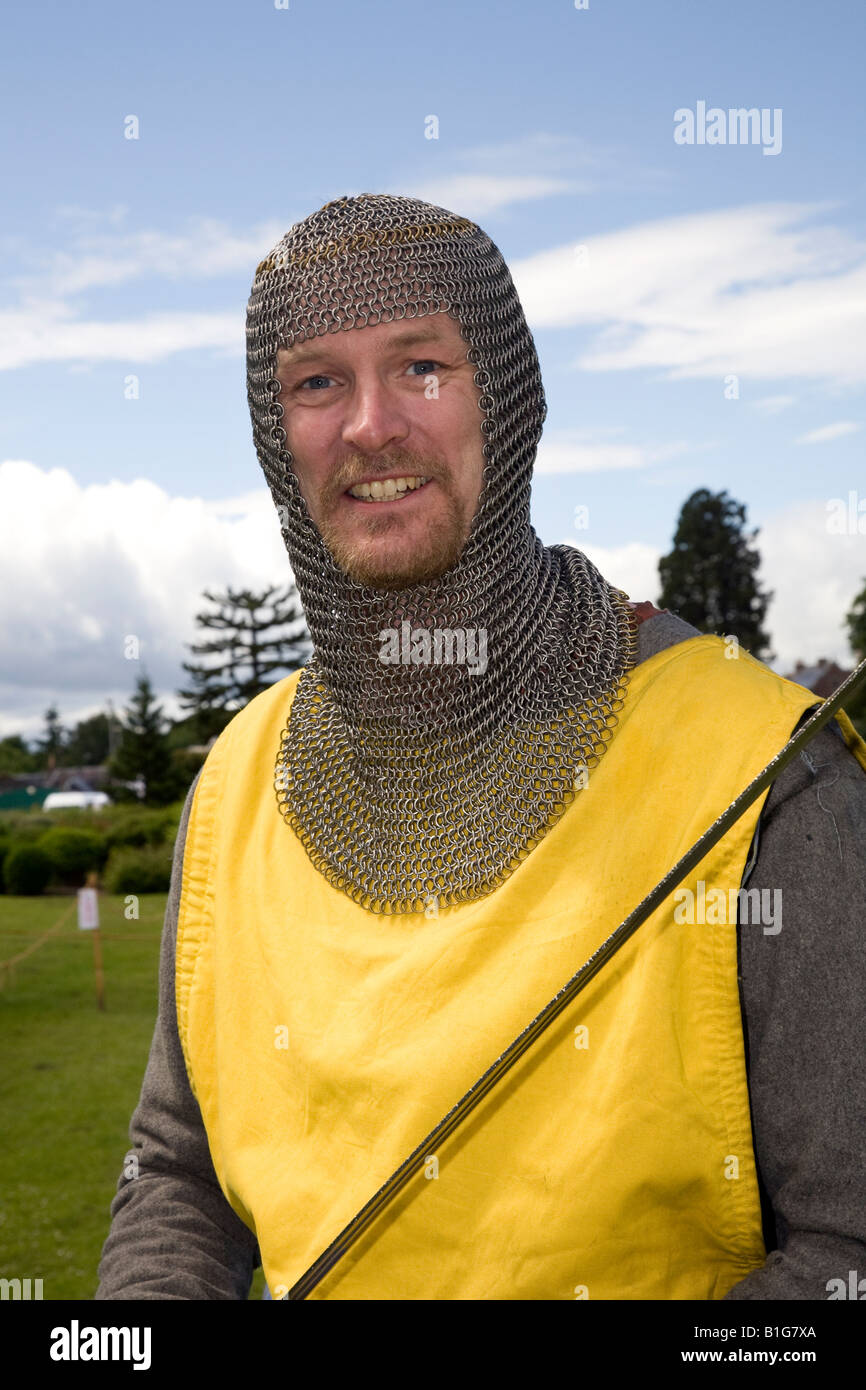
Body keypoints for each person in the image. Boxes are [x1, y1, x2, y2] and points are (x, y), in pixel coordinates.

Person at [96, 193, 866, 1301]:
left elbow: (847, 1256)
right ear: (276, 437)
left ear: (507, 400)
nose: (369, 426)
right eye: (317, 381)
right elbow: (176, 1175)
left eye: (419, 367)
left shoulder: (764, 778)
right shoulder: (235, 785)